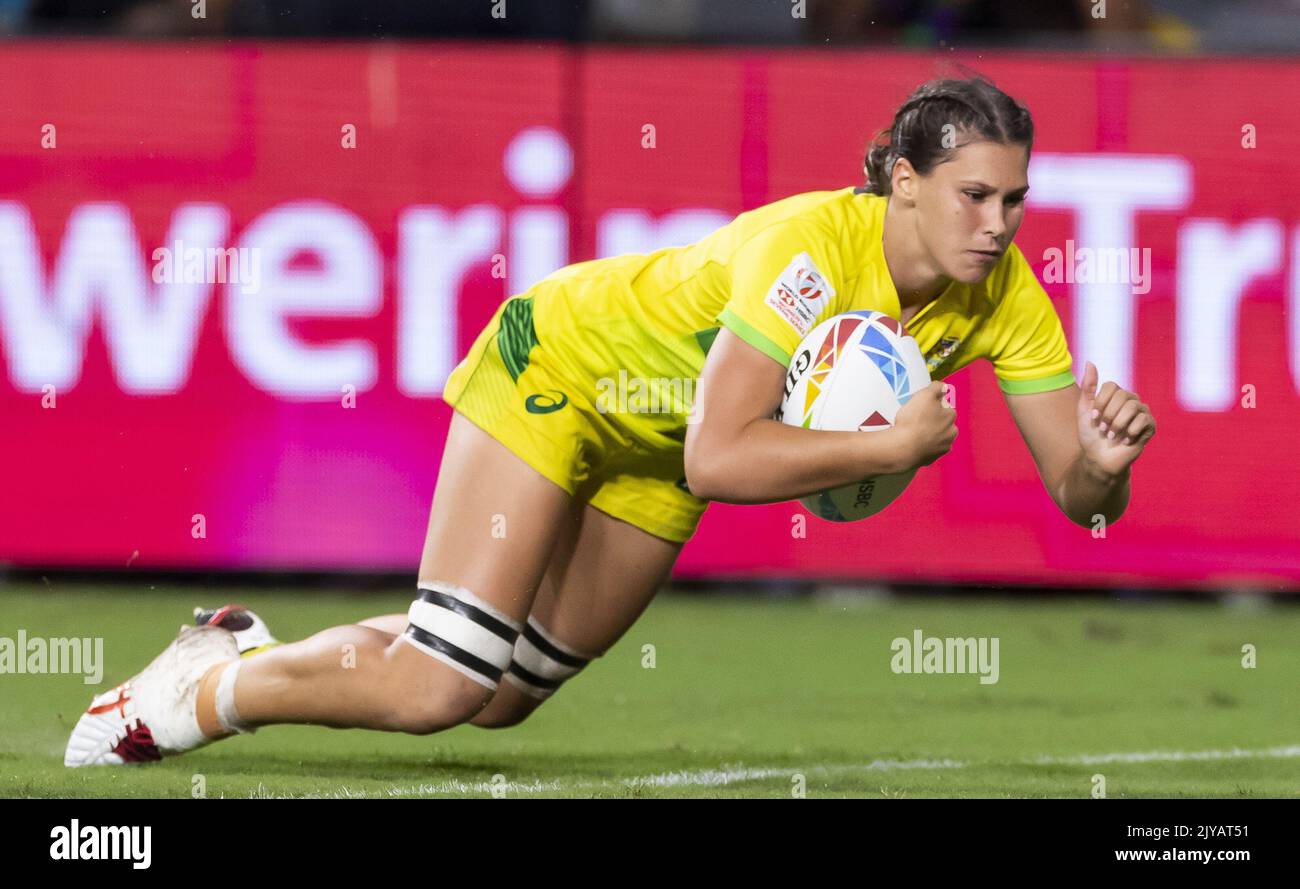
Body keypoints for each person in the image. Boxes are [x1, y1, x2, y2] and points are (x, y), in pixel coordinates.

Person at [64, 75, 1156, 766]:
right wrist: (887, 446)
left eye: (1014, 200)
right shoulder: (811, 251)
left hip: (656, 451)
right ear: (905, 184)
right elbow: (722, 455)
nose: (998, 225)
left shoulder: (1005, 298)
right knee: (441, 682)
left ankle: (232, 641)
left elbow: (1075, 493)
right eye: (974, 195)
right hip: (567, 368)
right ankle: (191, 697)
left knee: (503, 695)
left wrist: (1101, 470)